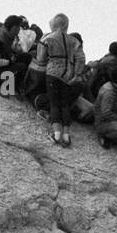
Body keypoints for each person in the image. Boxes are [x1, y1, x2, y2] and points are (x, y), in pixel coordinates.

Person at [36, 14, 85, 147]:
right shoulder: (74, 41)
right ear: (66, 25)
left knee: (54, 103)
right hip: (68, 75)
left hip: (52, 73)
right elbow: (81, 59)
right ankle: (66, 136)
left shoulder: (48, 38)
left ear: (53, 25)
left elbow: (40, 58)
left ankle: (56, 134)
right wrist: (76, 74)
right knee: (65, 104)